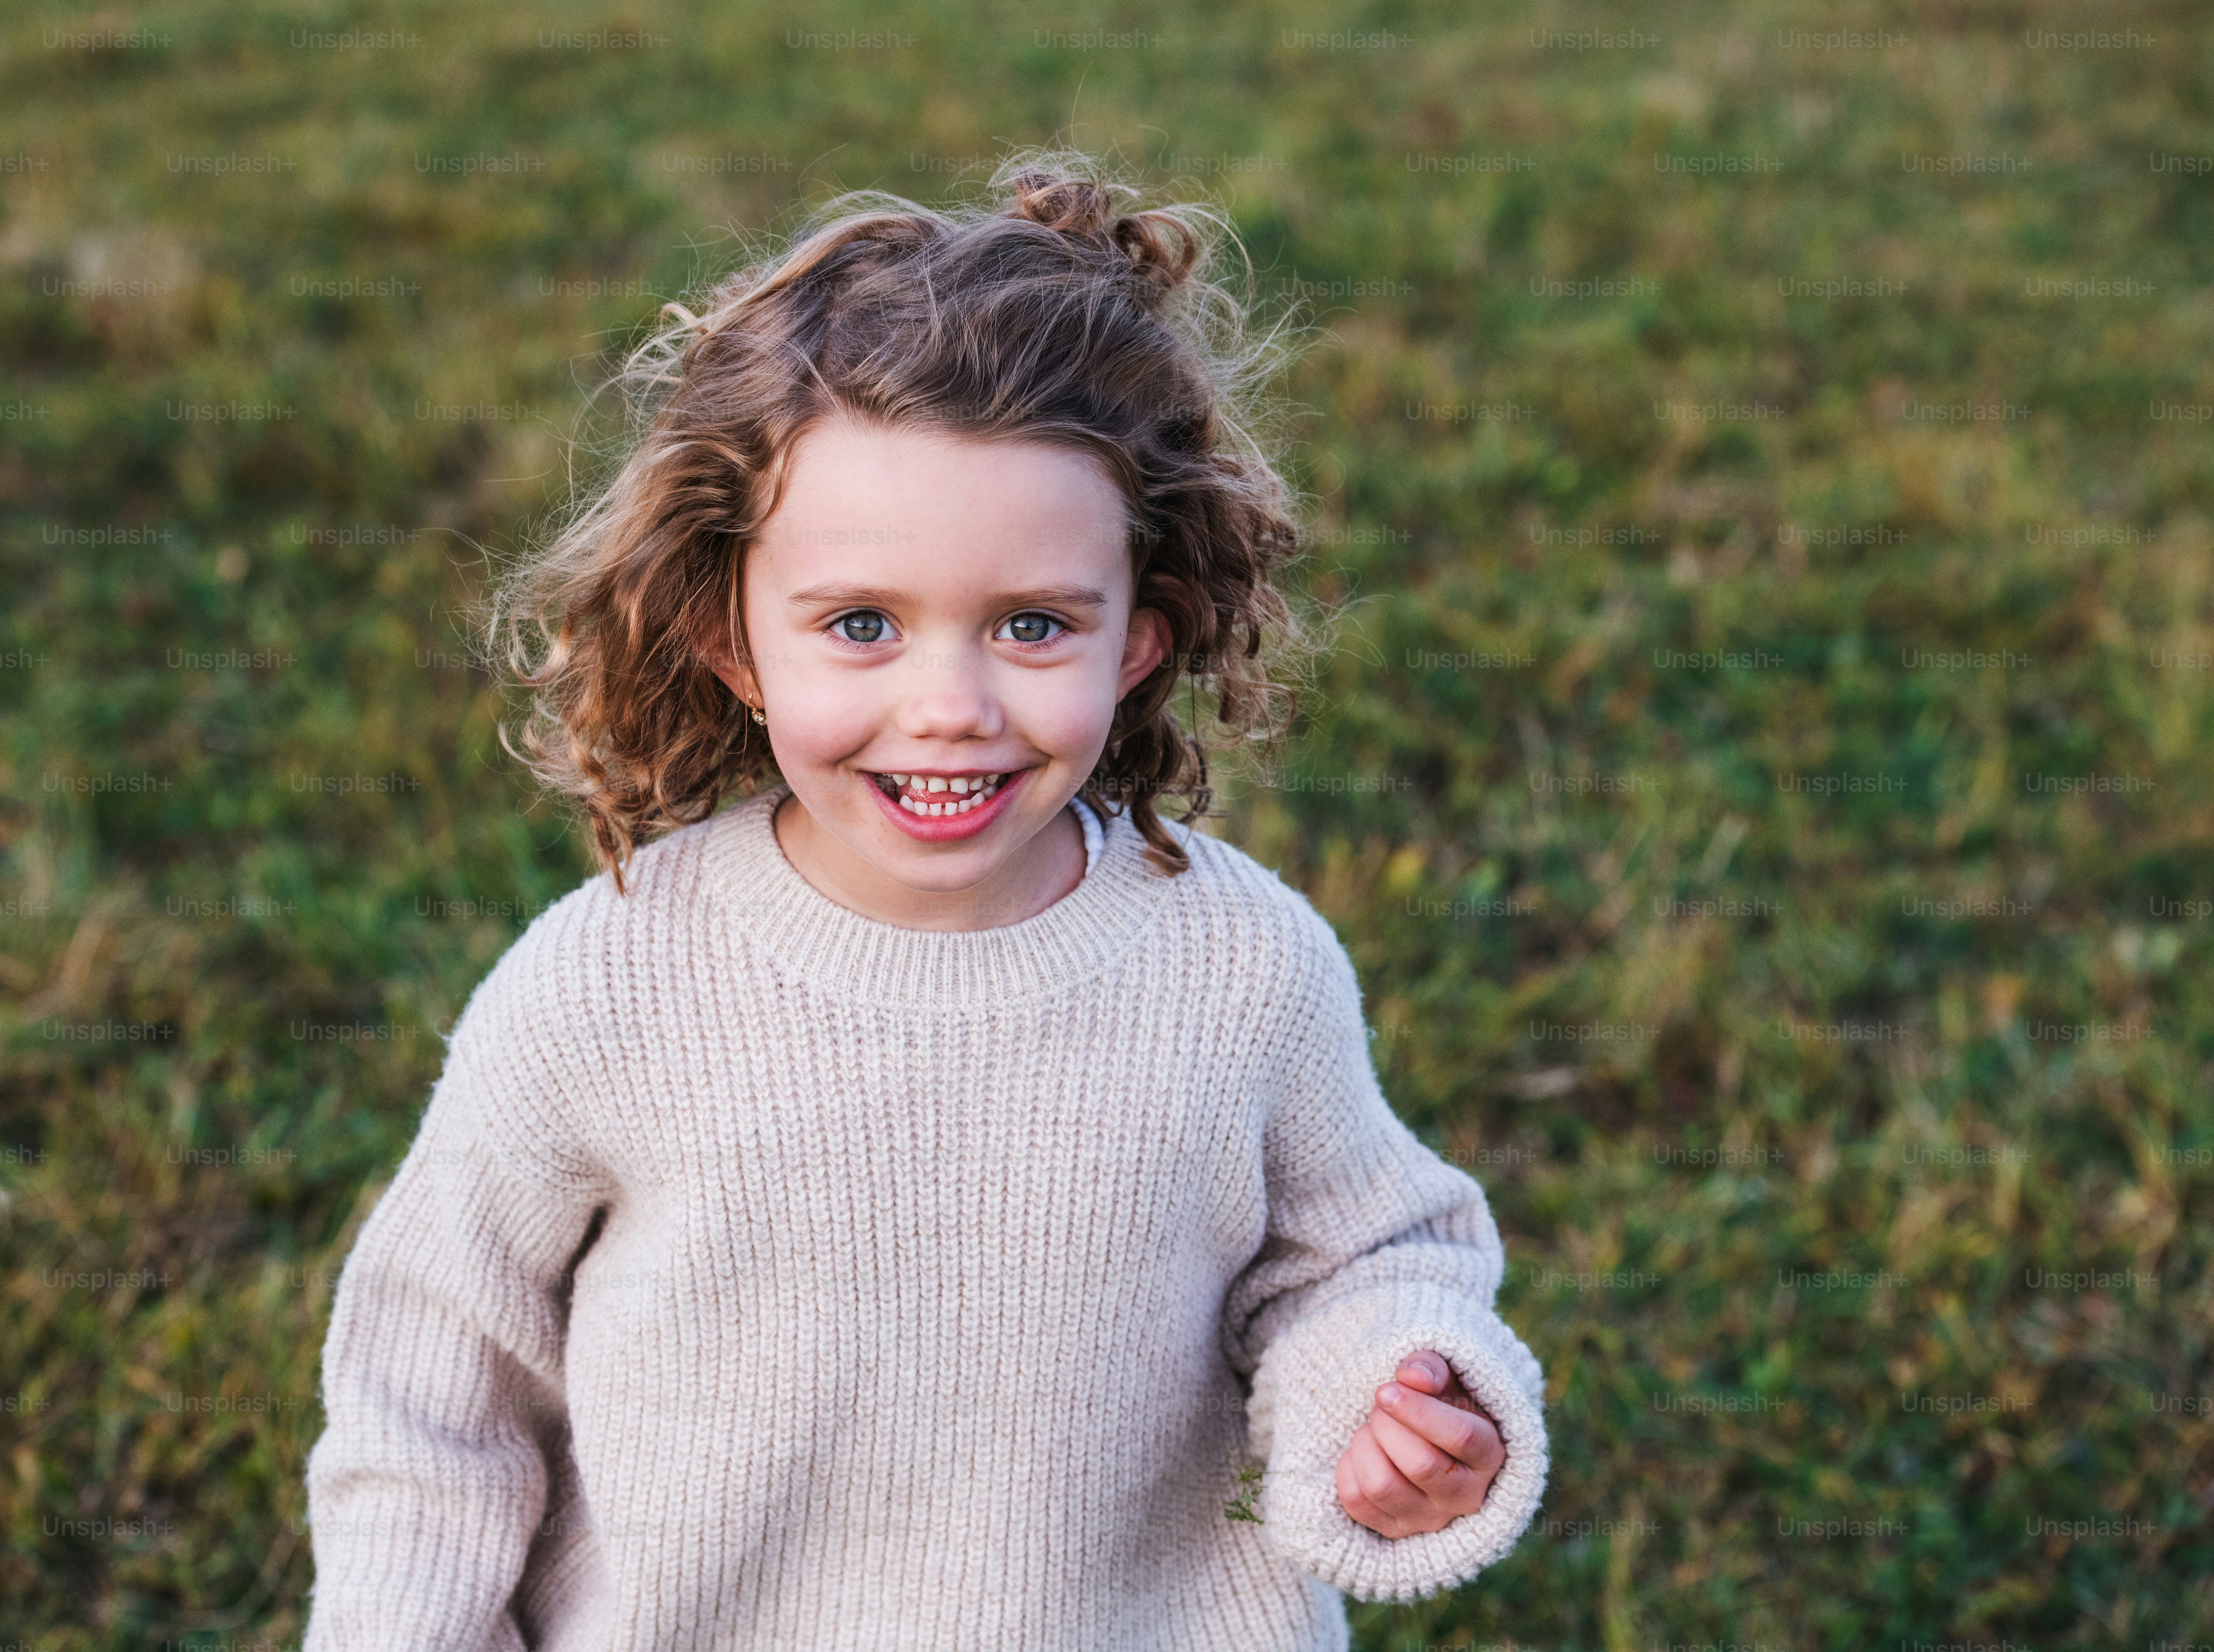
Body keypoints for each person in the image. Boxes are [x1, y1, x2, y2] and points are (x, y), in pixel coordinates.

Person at [302, 149, 1547, 1652]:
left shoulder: (1240, 965)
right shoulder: (609, 987)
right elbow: (436, 1394)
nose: (948, 704)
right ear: (734, 641)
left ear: (1141, 639)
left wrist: (1395, 1390)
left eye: (1033, 624)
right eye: (862, 626)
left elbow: (1360, 1257)